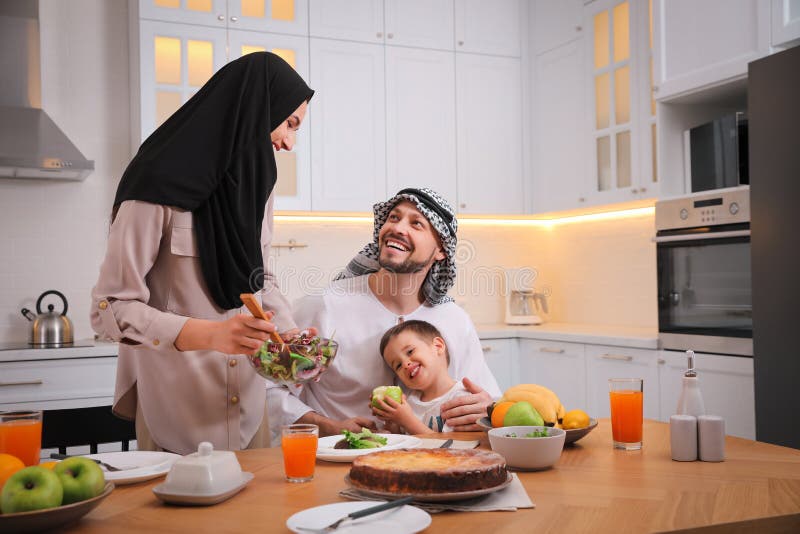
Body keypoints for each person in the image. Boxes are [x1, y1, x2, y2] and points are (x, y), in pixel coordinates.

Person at [90, 52, 315, 455]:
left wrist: (290, 334)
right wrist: (210, 334)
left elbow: (258, 275)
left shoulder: (257, 185)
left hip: (248, 410)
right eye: (289, 123)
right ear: (255, 109)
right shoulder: (154, 183)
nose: (288, 142)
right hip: (174, 407)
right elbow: (109, 309)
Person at [266, 188, 500, 440]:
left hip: (428, 464)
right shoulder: (324, 305)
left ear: (441, 250)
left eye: (417, 224)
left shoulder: (453, 319)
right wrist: (327, 426)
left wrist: (487, 409)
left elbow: (485, 399)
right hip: (336, 461)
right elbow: (271, 388)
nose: (398, 228)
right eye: (393, 217)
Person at [373, 320, 472, 434]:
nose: (405, 364)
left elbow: (450, 446)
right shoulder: (409, 400)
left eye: (410, 352)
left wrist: (407, 421)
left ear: (438, 346)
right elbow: (400, 441)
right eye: (398, 365)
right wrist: (392, 420)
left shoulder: (462, 399)